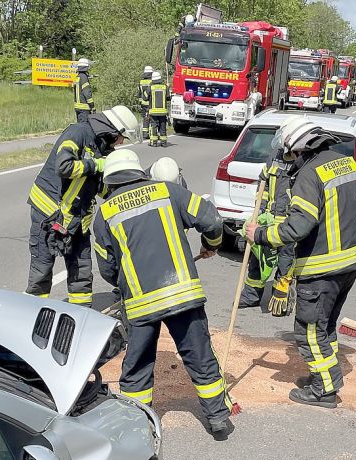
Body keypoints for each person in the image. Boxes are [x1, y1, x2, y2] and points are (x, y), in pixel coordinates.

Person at [91, 149, 234, 437]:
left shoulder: (104, 214)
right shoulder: (168, 191)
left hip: (141, 304)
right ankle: (218, 418)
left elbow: (107, 269)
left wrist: (125, 282)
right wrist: (213, 244)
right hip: (183, 295)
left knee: (138, 365)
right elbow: (214, 222)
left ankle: (136, 425)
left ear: (110, 181)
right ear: (138, 172)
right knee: (199, 356)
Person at [245, 117, 356, 408]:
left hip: (321, 268)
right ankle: (323, 374)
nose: (288, 160)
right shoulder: (347, 164)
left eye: (290, 154)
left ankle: (324, 389)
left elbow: (298, 227)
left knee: (309, 330)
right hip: (350, 264)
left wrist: (260, 234)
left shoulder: (309, 175)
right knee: (325, 327)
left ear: (300, 149)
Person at [25, 105, 140, 306]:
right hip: (48, 212)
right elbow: (64, 167)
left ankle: (80, 316)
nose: (121, 143)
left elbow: (101, 189)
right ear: (114, 131)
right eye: (123, 138)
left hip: (77, 219)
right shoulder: (78, 132)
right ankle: (30, 313)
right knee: (42, 270)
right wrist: (95, 165)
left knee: (82, 272)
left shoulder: (102, 147)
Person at [238, 150, 296, 312]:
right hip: (268, 220)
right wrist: (261, 209)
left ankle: (280, 297)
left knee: (285, 261)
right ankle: (251, 296)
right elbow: (264, 182)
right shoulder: (274, 158)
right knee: (258, 257)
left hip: (288, 224)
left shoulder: (302, 162)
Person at [148, 72, 170, 147]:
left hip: (153, 112)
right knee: (162, 126)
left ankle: (154, 143)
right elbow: (168, 98)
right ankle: (163, 143)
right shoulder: (164, 87)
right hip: (163, 112)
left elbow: (145, 97)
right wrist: (168, 88)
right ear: (160, 78)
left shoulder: (151, 87)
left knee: (154, 126)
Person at [72, 58, 95, 122]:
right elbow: (87, 93)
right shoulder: (84, 78)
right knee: (85, 127)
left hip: (78, 107)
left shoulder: (78, 77)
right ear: (86, 67)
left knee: (80, 126)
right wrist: (92, 106)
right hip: (84, 109)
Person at [138, 66, 154, 141]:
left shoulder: (141, 82)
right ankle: (150, 134)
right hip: (150, 103)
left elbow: (139, 93)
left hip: (143, 103)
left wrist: (140, 102)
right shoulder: (152, 82)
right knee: (151, 118)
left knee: (145, 118)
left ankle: (145, 133)